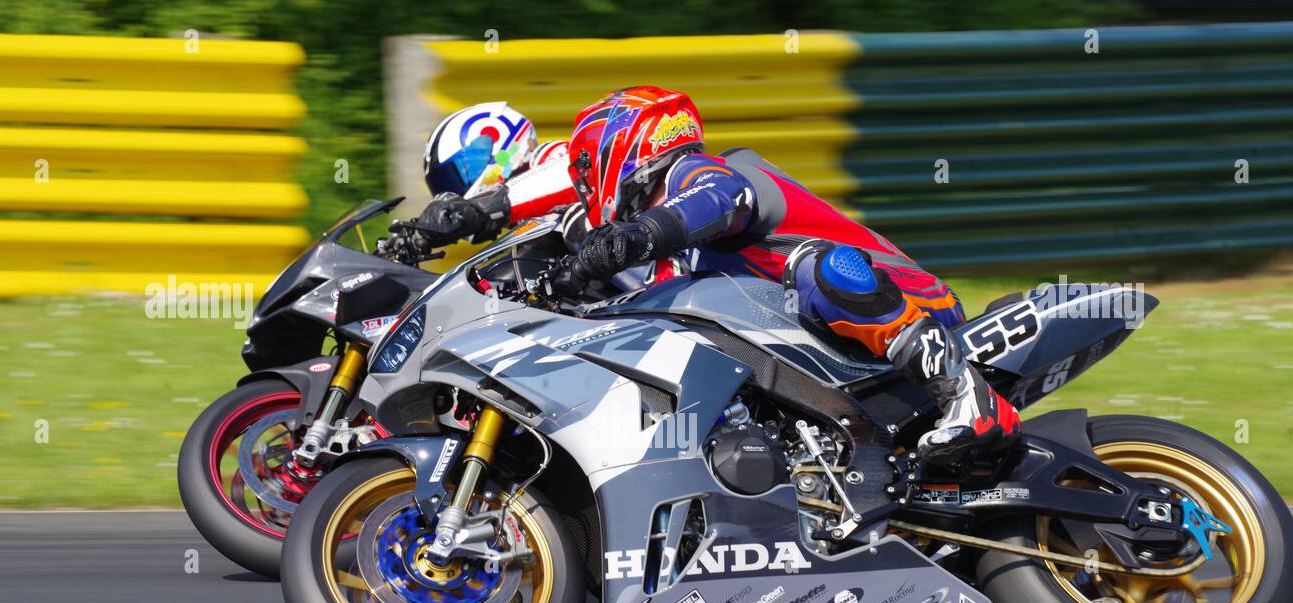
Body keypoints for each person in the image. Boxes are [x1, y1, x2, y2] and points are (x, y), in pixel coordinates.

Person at [560, 86, 1021, 465]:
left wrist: (635, 236)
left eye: (584, 168)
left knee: (819, 267)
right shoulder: (675, 250)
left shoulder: (705, 175)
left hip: (912, 301)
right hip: (827, 345)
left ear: (619, 145)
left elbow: (720, 200)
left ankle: (968, 396)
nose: (583, 186)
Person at [407, 102, 578, 250]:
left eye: (459, 173)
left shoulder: (550, 156)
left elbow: (575, 172)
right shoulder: (515, 227)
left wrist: (481, 207)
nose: (454, 194)